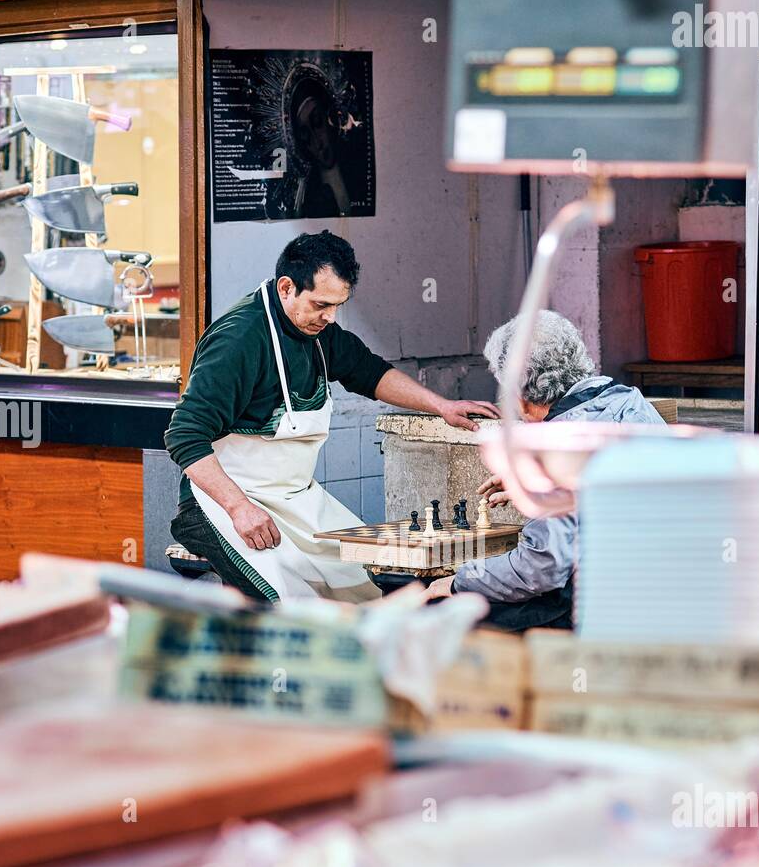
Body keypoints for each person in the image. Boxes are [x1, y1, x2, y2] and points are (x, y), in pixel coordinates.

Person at [166, 231, 497, 603]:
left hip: (297, 501)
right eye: (321, 304)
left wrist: (441, 406)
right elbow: (184, 435)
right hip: (221, 504)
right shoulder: (239, 339)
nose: (329, 317)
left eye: (338, 305)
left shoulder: (319, 332)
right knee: (287, 602)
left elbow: (369, 372)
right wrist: (239, 508)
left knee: (373, 580)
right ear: (287, 287)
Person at [424, 309, 666, 630]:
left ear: (521, 398)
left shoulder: (555, 446)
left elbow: (541, 570)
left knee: (438, 608)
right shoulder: (629, 403)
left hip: (600, 605)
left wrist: (458, 581)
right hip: (660, 589)